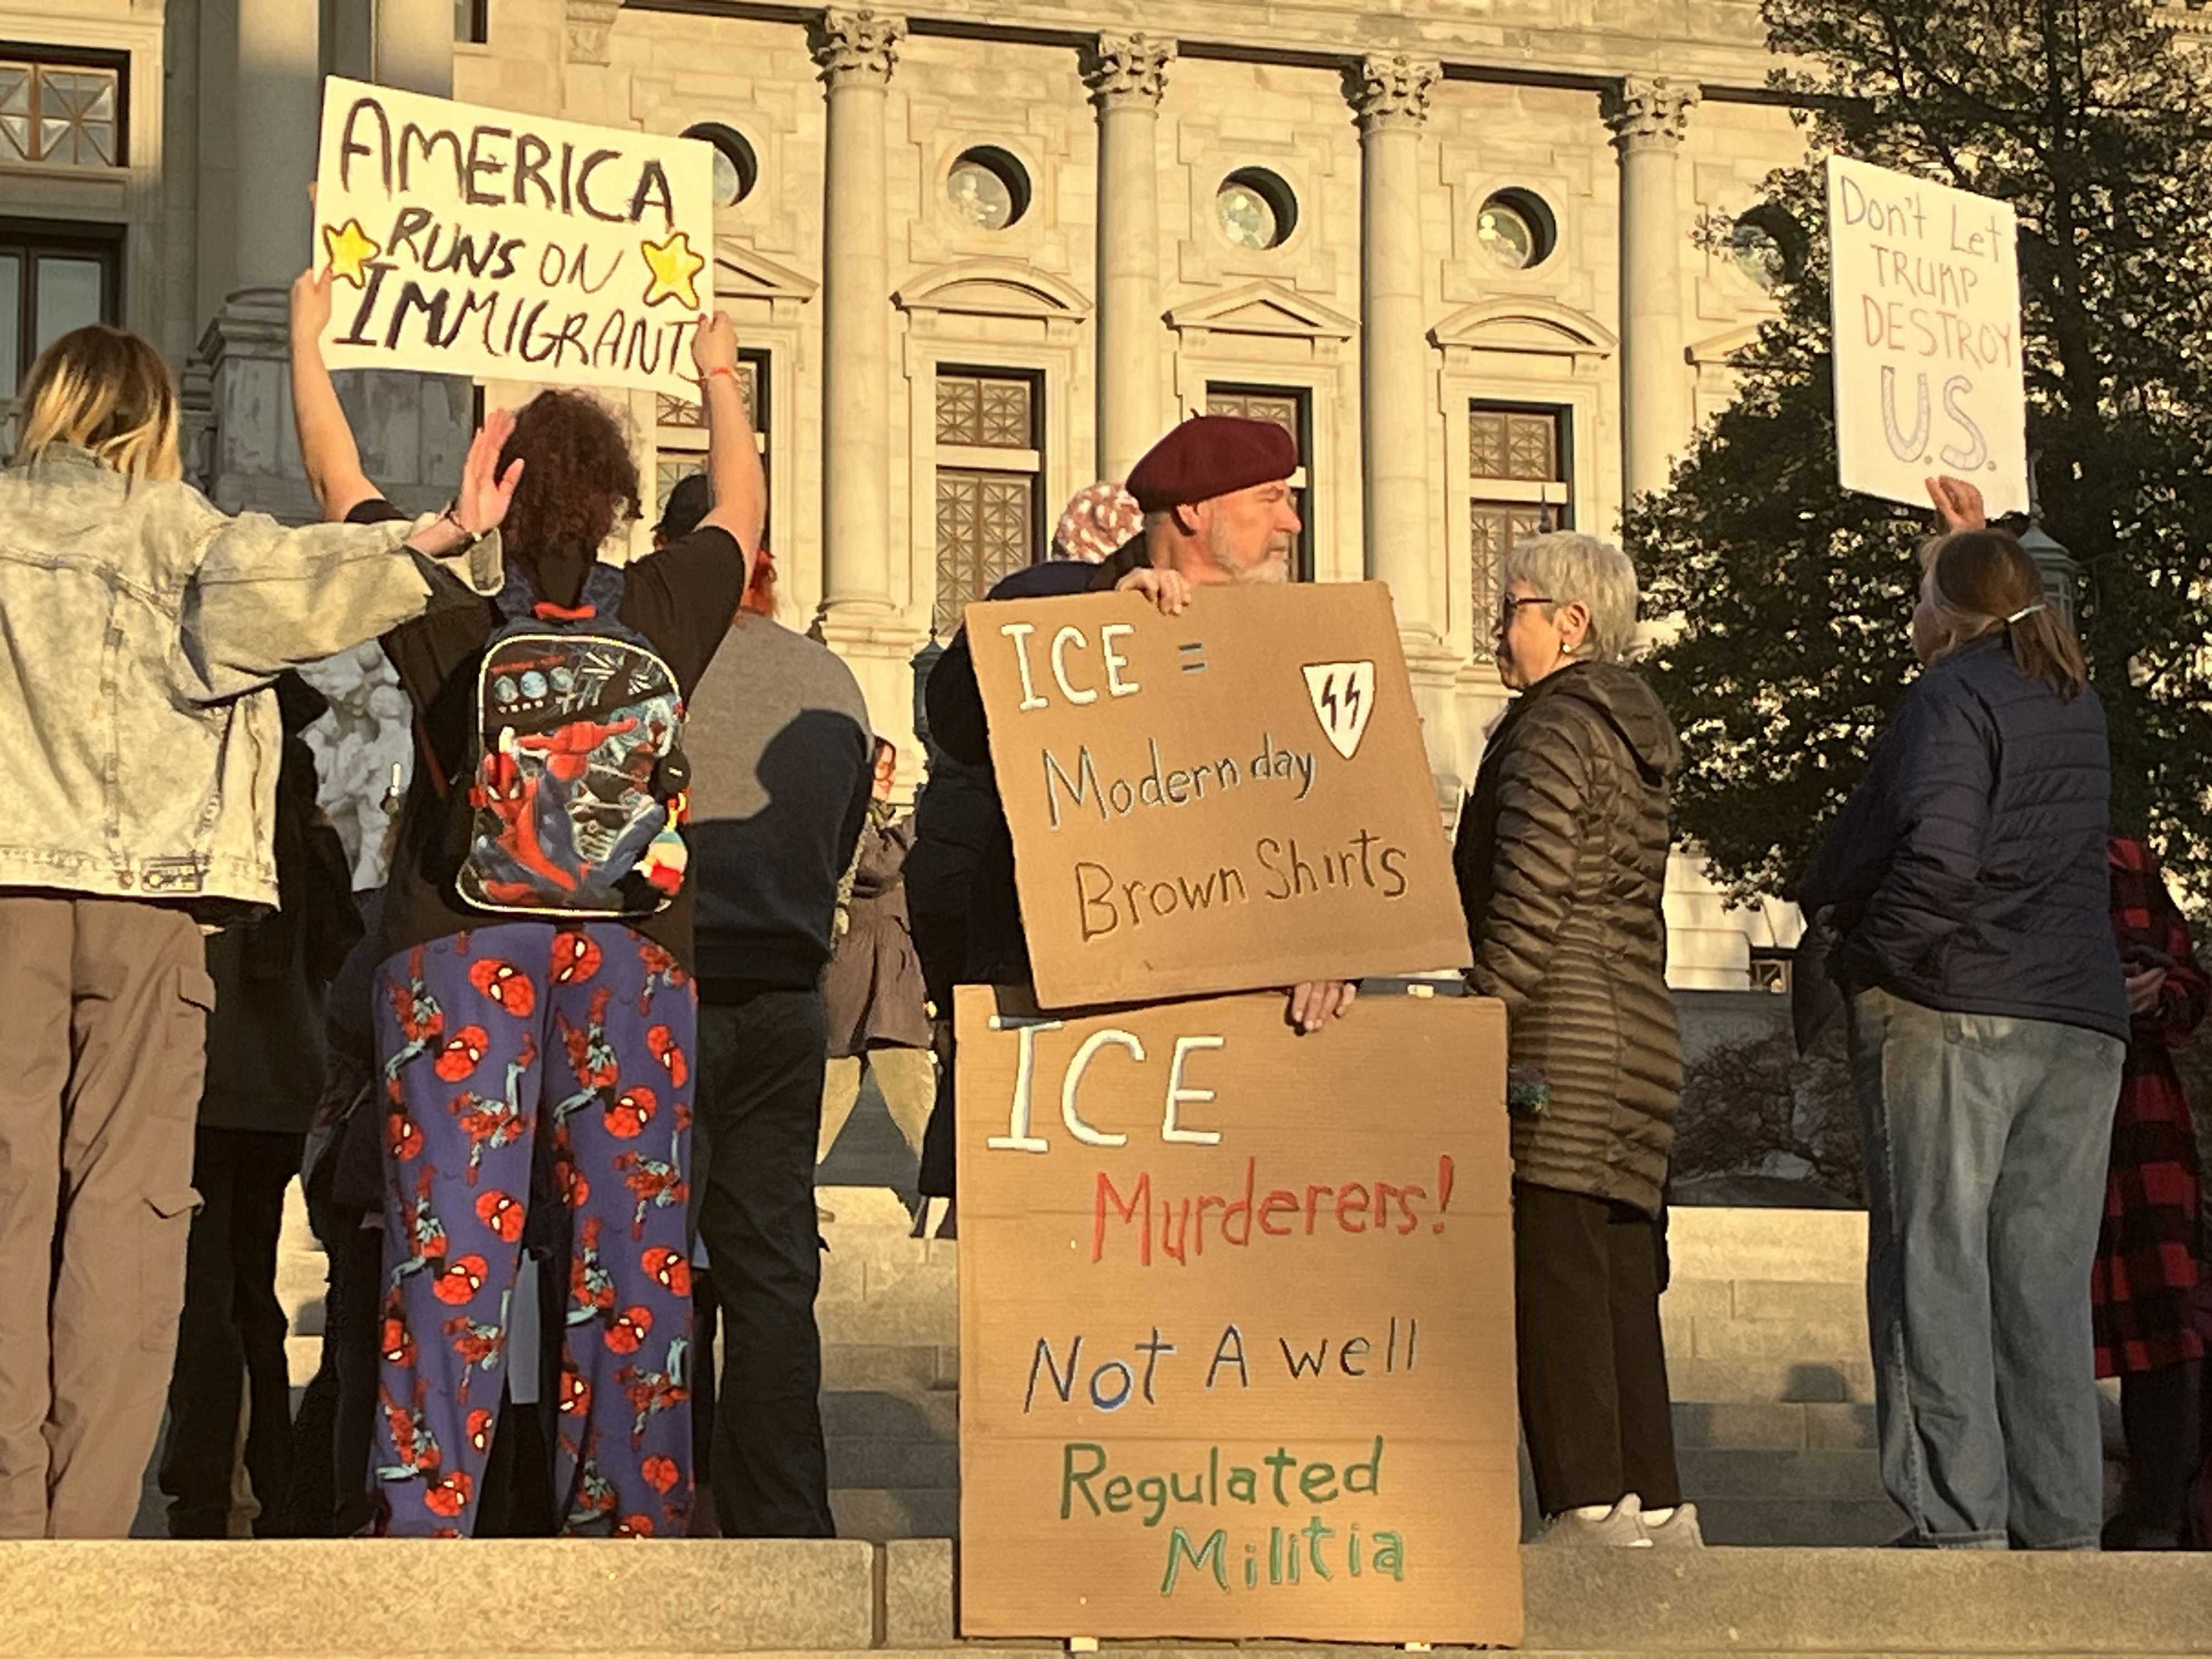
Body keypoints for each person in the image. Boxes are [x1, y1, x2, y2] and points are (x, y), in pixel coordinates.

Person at [0, 307, 513, 1540]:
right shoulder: (187, 536)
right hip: (157, 911)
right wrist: (441, 533)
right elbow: (311, 583)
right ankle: (82, 1539)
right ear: (157, 423)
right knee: (130, 1219)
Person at [290, 267, 767, 1537]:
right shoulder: (667, 606)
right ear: (615, 503)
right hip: (634, 955)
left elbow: (341, 496)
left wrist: (306, 343)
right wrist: (717, 374)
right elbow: (741, 506)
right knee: (631, 1258)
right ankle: (629, 1522)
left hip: (458, 950)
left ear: (501, 500)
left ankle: (425, 1520)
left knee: (449, 1254)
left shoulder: (439, 601)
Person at [912, 417, 1361, 1213]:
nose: (1292, 521)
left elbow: (1341, 827)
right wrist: (1094, 632)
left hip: (1223, 1061)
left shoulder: (1301, 648)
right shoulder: (1046, 599)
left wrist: (1337, 945)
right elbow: (954, 723)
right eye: (1270, 499)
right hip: (1062, 1044)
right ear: (1193, 513)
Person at [1800, 476, 2127, 1551]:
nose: (1909, 613)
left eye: (1917, 592)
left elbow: (1940, 855)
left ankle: (1955, 1516)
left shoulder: (1947, 698)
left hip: (1954, 1002)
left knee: (1932, 1263)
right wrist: (1980, 542)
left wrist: (1871, 960)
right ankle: (2060, 1522)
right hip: (2076, 1018)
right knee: (2041, 1283)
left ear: (1948, 613)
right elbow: (2037, 596)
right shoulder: (2071, 693)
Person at [1450, 531, 1689, 1549]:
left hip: (1557, 1040)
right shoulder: (1636, 733)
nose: (1495, 628)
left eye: (1511, 607)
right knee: (1620, 1272)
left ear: (1569, 622)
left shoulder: (1552, 730)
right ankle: (1659, 1498)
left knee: (1550, 1264)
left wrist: (1480, 1011)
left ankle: (1585, 1498)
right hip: (1637, 1032)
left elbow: (1533, 894)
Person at [676, 474, 872, 1537]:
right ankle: (785, 1513)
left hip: (664, 991)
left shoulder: (653, 665)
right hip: (788, 997)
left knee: (649, 1255)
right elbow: (843, 846)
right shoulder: (831, 682)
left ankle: (658, 1490)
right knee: (771, 1272)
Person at [160, 676, 362, 1538]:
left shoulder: (209, 819)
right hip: (281, 1086)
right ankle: (269, 1478)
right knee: (251, 1292)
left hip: (206, 1085)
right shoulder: (307, 833)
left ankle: (207, 1480)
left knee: (204, 1288)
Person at [2093, 831, 2208, 1550]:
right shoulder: (1994, 837)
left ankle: (2158, 1510)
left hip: (2135, 1102)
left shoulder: (2124, 859)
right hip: (2041, 1084)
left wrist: (2157, 992)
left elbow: (2191, 983)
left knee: (2163, 1311)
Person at [818, 739, 934, 1178]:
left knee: (846, 1087)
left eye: (891, 769)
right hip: (866, 974)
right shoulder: (849, 820)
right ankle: (946, 1189)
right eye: (878, 769)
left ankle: (944, 1189)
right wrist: (916, 824)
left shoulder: (869, 820)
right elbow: (876, 867)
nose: (886, 779)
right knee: (908, 1093)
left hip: (882, 976)